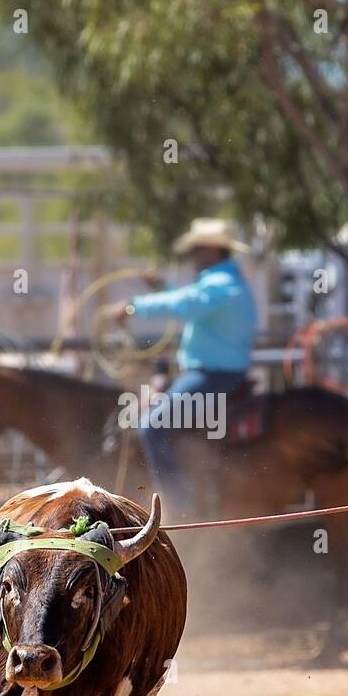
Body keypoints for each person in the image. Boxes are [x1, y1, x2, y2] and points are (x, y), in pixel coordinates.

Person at [110, 218, 257, 511]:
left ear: (214, 250)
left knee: (152, 426)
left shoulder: (220, 285)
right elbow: (189, 304)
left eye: (198, 248)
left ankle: (179, 505)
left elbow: (186, 304)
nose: (193, 255)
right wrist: (161, 289)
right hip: (213, 374)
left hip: (212, 376)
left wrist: (133, 307)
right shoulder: (223, 284)